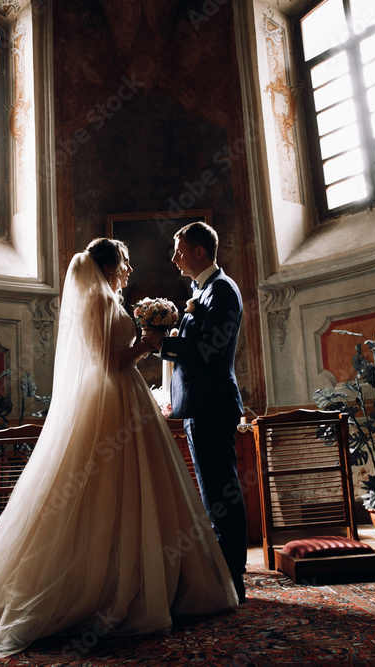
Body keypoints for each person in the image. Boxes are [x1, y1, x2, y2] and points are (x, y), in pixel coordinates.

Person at [0, 238, 237, 662]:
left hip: (124, 401)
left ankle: (144, 578)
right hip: (110, 403)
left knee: (137, 490)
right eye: (126, 263)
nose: (131, 270)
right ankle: (104, 585)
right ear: (109, 266)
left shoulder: (106, 298)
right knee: (104, 489)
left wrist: (147, 341)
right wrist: (147, 344)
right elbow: (106, 360)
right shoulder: (98, 301)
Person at [144, 222, 247, 603]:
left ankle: (235, 580)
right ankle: (225, 576)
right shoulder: (200, 291)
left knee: (222, 495)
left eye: (178, 250)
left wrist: (163, 345)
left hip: (212, 406)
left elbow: (210, 351)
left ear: (199, 252)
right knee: (212, 494)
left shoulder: (221, 291)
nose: (174, 258)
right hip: (199, 406)